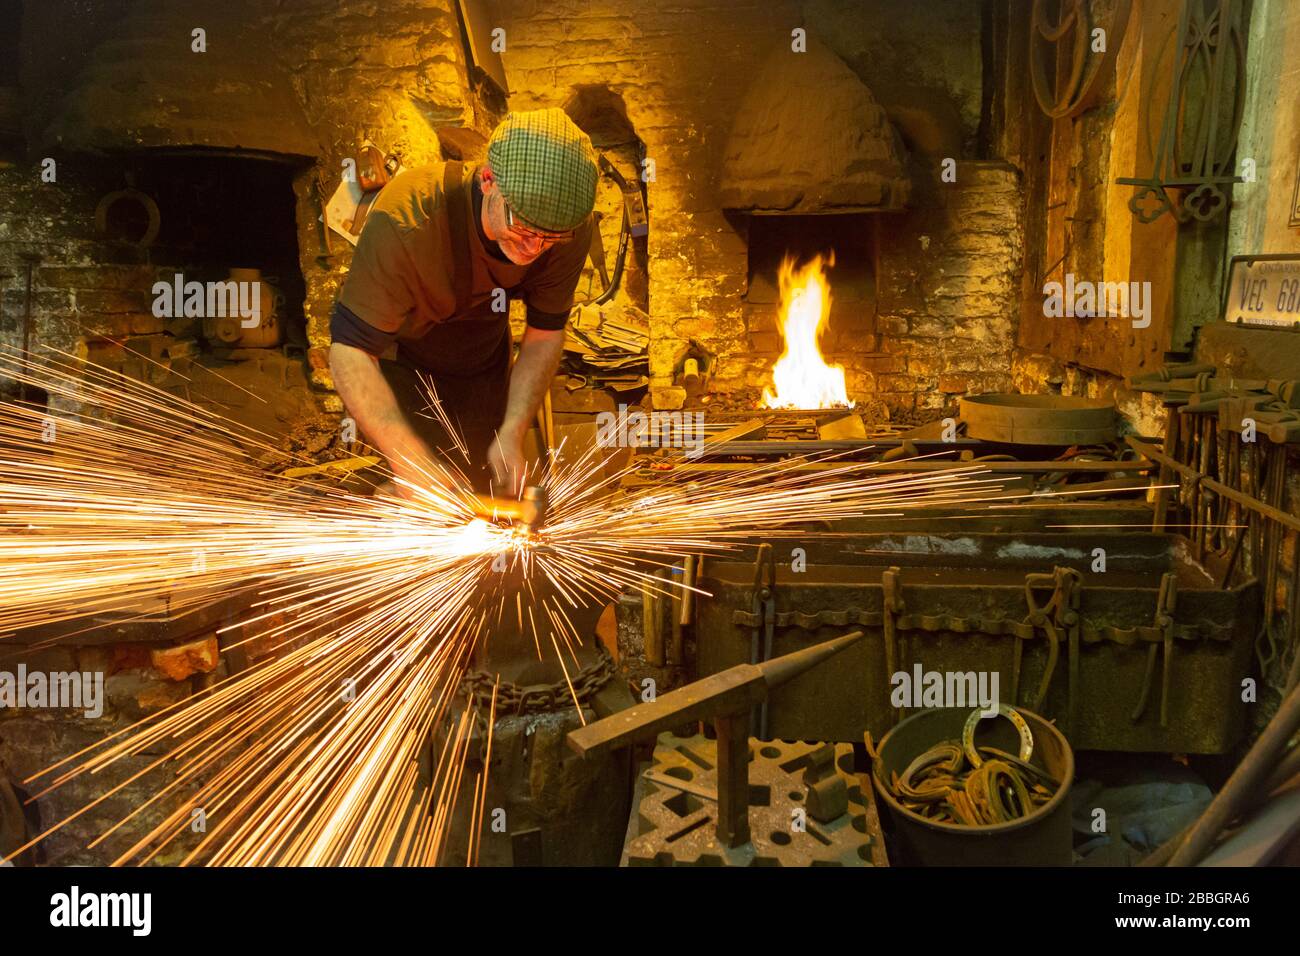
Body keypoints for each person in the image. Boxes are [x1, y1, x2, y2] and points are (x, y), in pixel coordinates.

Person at [329, 108, 597, 497]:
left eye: (550, 238)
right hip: (406, 366)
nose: (533, 248)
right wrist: (409, 460)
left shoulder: (569, 227)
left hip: (483, 365)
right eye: (521, 226)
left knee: (482, 488)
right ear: (488, 179)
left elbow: (544, 335)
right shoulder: (407, 220)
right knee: (421, 496)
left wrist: (512, 431)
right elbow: (349, 352)